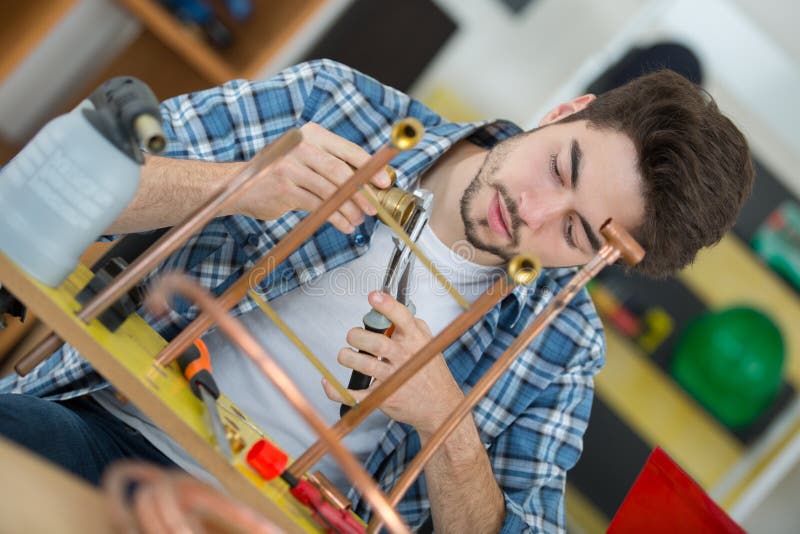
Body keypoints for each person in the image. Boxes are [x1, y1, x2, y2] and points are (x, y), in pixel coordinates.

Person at [0, 59, 753, 532]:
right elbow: (54, 189)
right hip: (108, 434)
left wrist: (444, 421)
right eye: (561, 169)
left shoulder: (562, 343)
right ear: (563, 112)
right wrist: (234, 187)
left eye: (579, 235)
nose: (533, 212)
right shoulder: (339, 107)